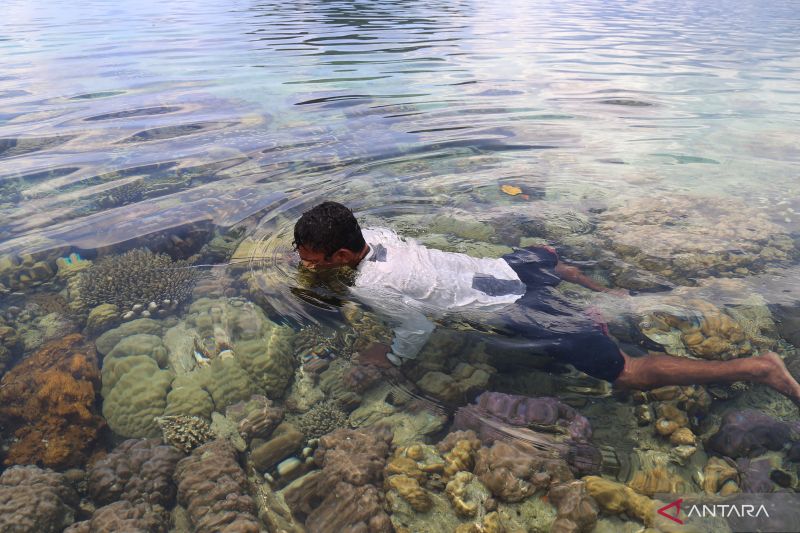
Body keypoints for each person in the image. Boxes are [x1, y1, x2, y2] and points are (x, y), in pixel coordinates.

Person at [293, 201, 800, 403]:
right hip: (510, 268)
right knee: (544, 257)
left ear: (341, 253)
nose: (305, 265)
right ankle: (608, 293)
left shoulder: (368, 286)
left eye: (312, 260)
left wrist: (394, 356)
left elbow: (418, 329)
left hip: (517, 306)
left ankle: (758, 367)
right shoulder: (377, 233)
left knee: (624, 370)